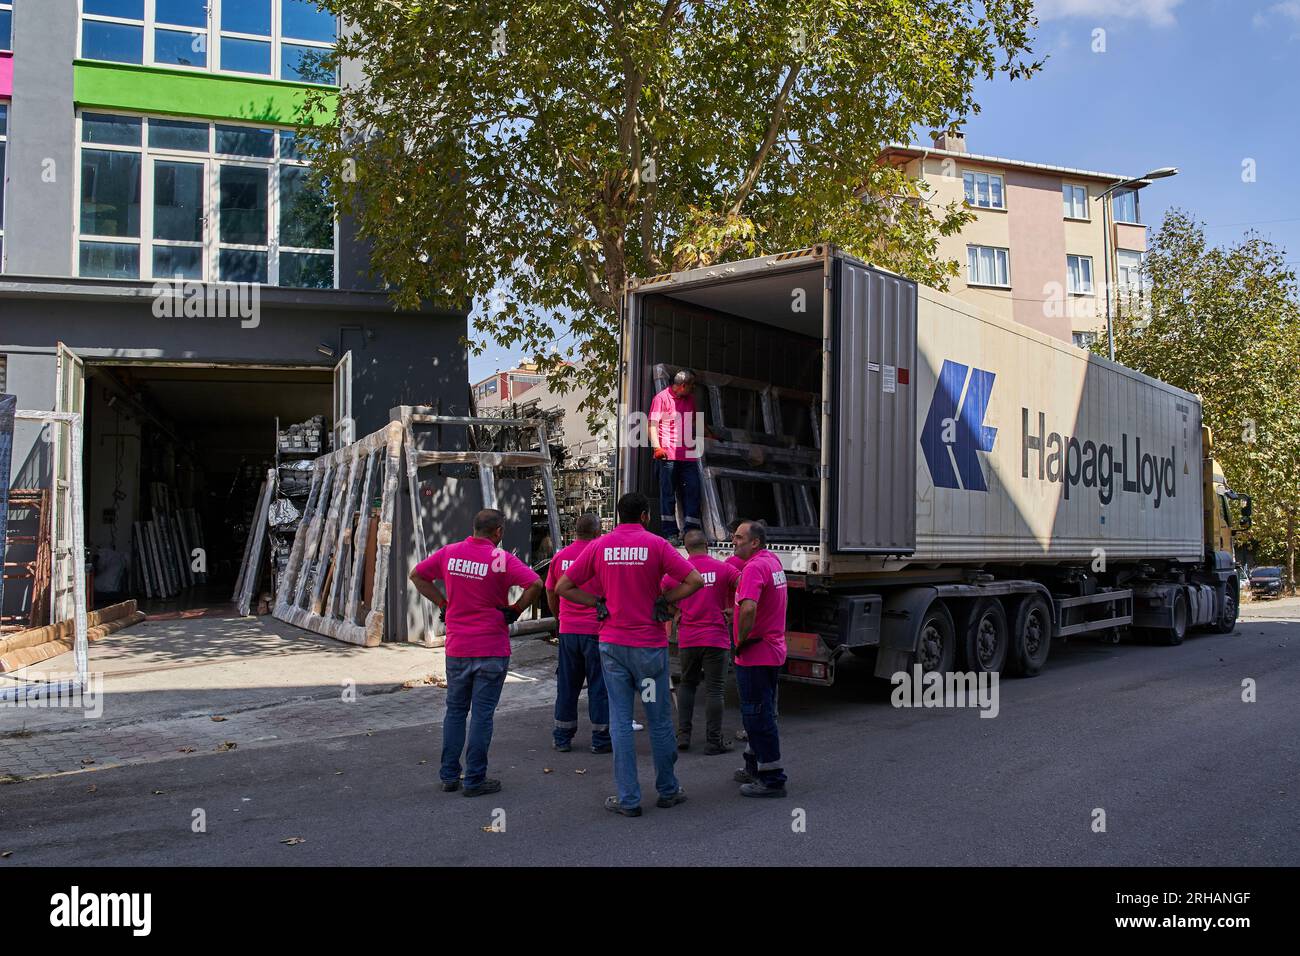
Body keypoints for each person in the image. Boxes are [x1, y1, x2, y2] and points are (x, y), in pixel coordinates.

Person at [557, 492, 704, 817]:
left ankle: (628, 798)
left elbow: (562, 587)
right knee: (659, 720)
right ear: (646, 515)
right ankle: (668, 790)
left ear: (618, 515)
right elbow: (694, 580)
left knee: (620, 722)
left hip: (612, 649)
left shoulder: (600, 546)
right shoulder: (657, 545)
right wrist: (666, 601)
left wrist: (596, 603)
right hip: (649, 651)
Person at [409, 509, 543, 798]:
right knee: (482, 715)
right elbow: (536, 583)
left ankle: (448, 775)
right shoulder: (502, 559)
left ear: (475, 528)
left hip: (458, 648)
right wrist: (516, 610)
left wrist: (443, 603)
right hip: (492, 647)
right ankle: (474, 779)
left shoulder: (450, 553)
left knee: (455, 711)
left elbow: (417, 576)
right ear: (498, 532)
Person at [664, 529, 739, 754]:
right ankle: (713, 741)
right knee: (714, 690)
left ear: (686, 549)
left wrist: (674, 611)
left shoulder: (679, 572)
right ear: (707, 545)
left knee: (687, 684)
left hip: (689, 638)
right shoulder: (724, 568)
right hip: (716, 637)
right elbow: (746, 584)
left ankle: (683, 736)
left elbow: (660, 592)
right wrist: (734, 610)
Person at [730, 519, 789, 797]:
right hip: (772, 649)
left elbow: (750, 609)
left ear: (755, 542)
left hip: (755, 653)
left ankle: (772, 778)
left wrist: (740, 639)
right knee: (760, 711)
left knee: (756, 715)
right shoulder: (772, 561)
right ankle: (753, 767)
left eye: (740, 537)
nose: (734, 541)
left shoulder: (754, 568)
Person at [545, 512, 610, 754]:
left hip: (568, 630)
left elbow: (551, 591)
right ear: (597, 532)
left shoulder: (561, 557)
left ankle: (562, 737)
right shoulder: (601, 555)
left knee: (567, 686)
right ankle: (601, 740)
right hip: (597, 629)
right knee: (598, 686)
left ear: (575, 531)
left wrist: (559, 618)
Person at [649, 368, 704, 545]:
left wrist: (708, 434)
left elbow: (695, 422)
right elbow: (652, 425)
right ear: (682, 385)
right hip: (668, 455)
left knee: (693, 490)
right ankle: (670, 533)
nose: (693, 389)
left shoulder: (690, 400)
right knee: (668, 494)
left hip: (687, 455)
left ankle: (691, 531)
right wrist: (657, 447)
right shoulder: (661, 398)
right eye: (692, 386)